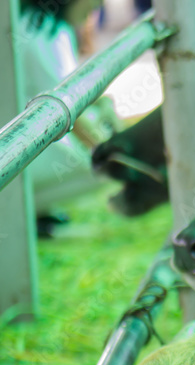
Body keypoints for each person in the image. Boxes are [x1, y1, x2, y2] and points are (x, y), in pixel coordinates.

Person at [17, 0, 117, 235]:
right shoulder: (45, 30)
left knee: (102, 124)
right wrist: (107, 151)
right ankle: (21, 212)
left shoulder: (36, 22)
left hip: (19, 131)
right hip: (15, 144)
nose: (97, 7)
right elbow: (64, 104)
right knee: (102, 167)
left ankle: (33, 211)